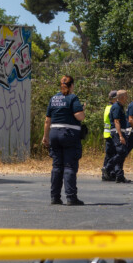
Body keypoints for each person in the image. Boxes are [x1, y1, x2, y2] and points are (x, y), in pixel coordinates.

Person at [41, 74, 86, 205]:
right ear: (71, 85)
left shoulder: (54, 98)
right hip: (69, 135)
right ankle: (71, 197)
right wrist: (82, 110)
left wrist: (45, 136)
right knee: (69, 166)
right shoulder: (73, 97)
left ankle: (55, 197)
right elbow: (79, 116)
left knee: (56, 166)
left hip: (54, 134)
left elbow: (47, 120)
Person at [105, 90, 131, 183]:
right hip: (117, 132)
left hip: (119, 132)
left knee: (121, 153)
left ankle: (119, 175)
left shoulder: (120, 106)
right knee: (122, 152)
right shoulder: (116, 107)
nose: (127, 98)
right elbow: (116, 121)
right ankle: (108, 167)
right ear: (122, 97)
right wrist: (120, 136)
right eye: (126, 96)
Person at [101, 90, 118, 181]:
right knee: (112, 155)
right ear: (115, 98)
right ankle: (108, 172)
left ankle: (108, 172)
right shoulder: (112, 108)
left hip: (107, 134)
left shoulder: (107, 107)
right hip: (111, 134)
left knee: (109, 155)